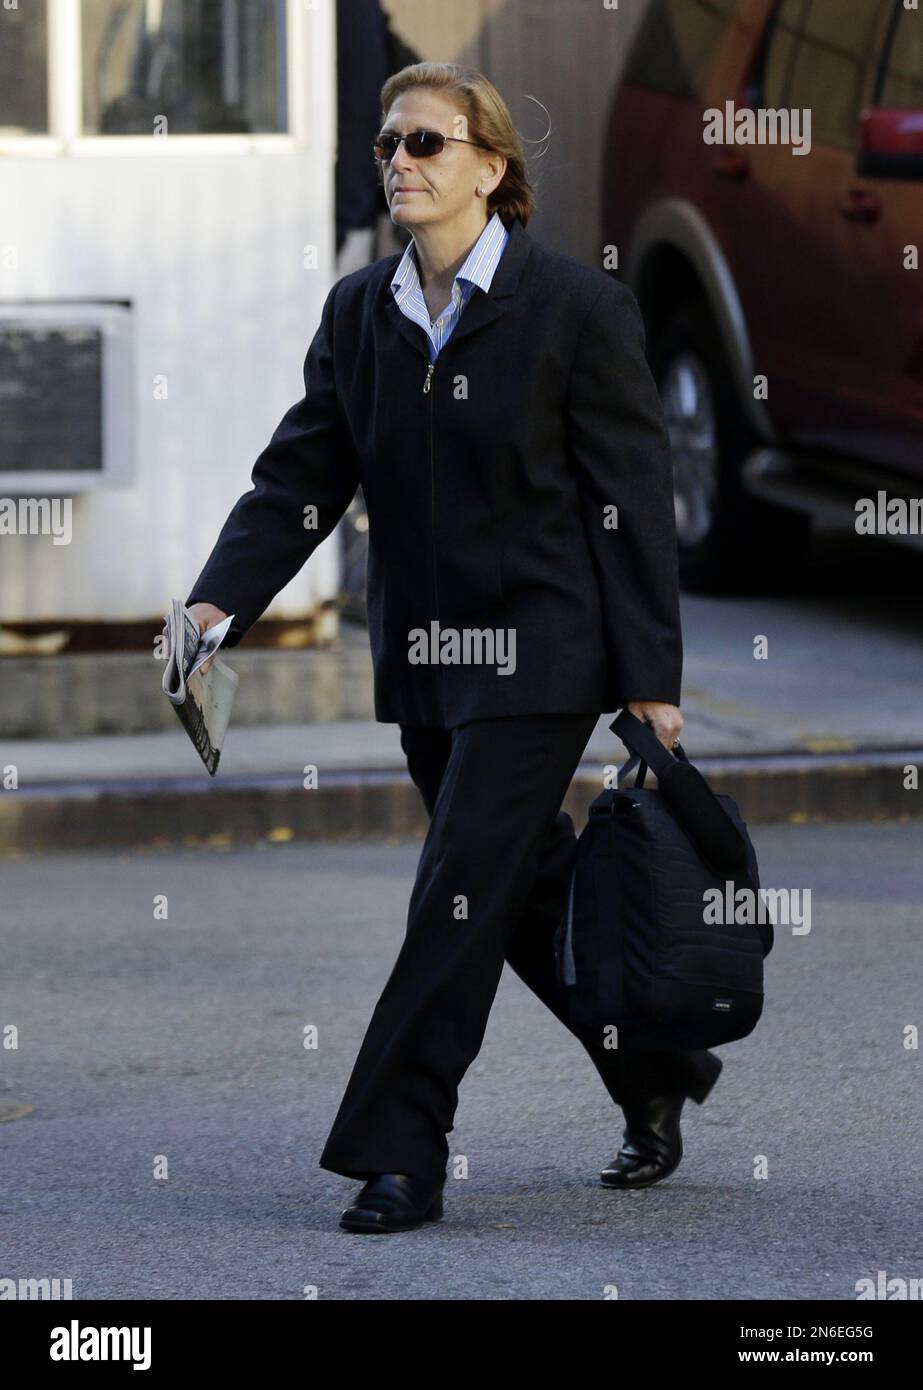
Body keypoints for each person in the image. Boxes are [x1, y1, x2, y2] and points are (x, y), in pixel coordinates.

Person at [183, 62, 723, 1235]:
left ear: (491, 167)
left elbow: (626, 498)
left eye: (427, 143)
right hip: (426, 662)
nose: (401, 163)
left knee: (452, 895)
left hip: (543, 656)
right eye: (387, 145)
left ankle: (399, 1148)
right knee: (517, 898)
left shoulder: (575, 309)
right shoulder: (361, 310)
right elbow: (303, 477)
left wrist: (648, 682)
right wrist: (218, 602)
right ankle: (654, 1068)